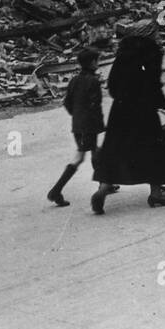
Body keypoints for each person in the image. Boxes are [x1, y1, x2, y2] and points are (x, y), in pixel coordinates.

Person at [92, 20, 165, 213]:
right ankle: (156, 194)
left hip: (120, 109)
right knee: (153, 149)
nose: (157, 36)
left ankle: (104, 187)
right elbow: (153, 83)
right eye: (155, 33)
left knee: (114, 149)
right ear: (147, 35)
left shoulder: (123, 52)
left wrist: (123, 98)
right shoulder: (152, 51)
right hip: (144, 110)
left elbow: (112, 84)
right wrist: (163, 103)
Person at [47, 47, 105, 209]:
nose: (98, 63)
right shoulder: (93, 81)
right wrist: (98, 125)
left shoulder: (74, 80)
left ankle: (104, 184)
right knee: (84, 156)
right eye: (97, 60)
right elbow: (95, 106)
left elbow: (67, 103)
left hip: (78, 125)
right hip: (89, 126)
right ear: (93, 63)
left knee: (90, 152)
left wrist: (77, 117)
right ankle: (56, 191)